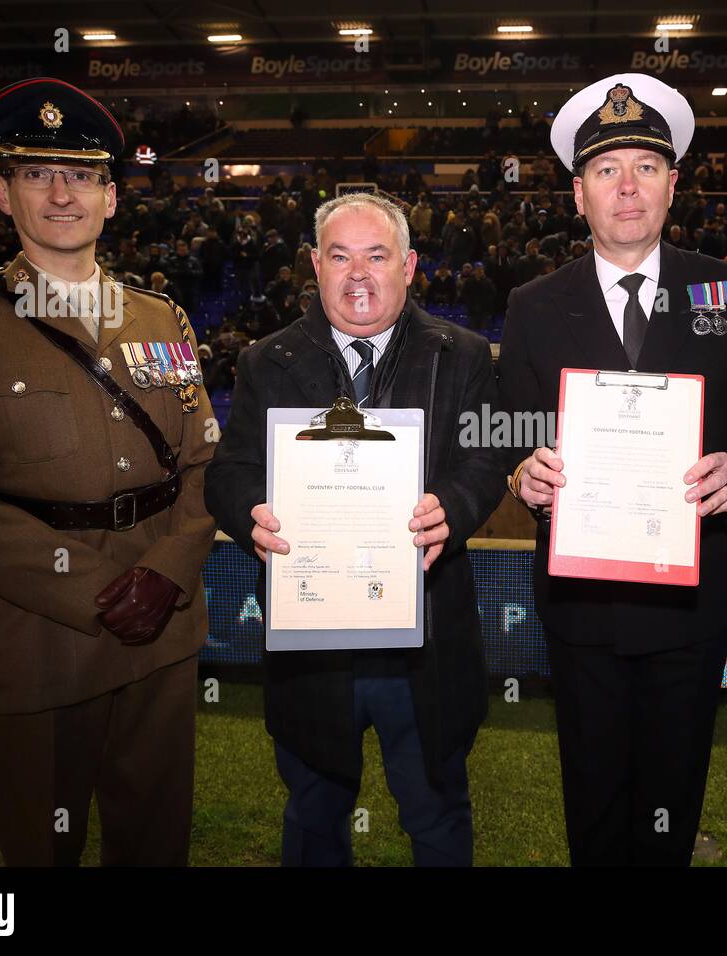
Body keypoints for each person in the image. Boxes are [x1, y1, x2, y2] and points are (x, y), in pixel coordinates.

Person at [0, 78, 217, 866]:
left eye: (81, 175)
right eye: (38, 174)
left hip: (162, 634)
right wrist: (96, 594)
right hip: (33, 637)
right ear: (3, 194)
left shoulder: (159, 316)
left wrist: (168, 570)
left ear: (112, 198)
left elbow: (205, 459)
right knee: (40, 848)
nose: (62, 194)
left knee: (155, 845)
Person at [498, 73, 727, 866]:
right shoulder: (533, 303)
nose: (626, 187)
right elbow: (511, 429)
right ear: (577, 193)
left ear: (673, 181)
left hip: (692, 595)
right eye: (605, 170)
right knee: (591, 799)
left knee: (672, 794)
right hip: (580, 593)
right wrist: (520, 470)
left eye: (644, 167)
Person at [203, 192, 506, 867]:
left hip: (426, 640)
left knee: (436, 818)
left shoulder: (463, 356)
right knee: (313, 817)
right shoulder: (265, 360)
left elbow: (487, 459)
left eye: (377, 256)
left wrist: (451, 507)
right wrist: (251, 510)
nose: (358, 273)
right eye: (341, 256)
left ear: (410, 265)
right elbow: (226, 474)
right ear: (315, 265)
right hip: (312, 643)